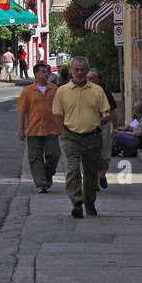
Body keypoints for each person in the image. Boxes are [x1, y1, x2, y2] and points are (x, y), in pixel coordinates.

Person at [52, 55, 112, 218]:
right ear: (71, 71)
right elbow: (57, 115)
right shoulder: (62, 91)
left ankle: (89, 202)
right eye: (76, 69)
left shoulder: (97, 91)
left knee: (91, 173)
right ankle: (77, 202)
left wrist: (105, 116)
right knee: (72, 170)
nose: (79, 72)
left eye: (82, 69)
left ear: (87, 71)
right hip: (71, 136)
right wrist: (62, 134)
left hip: (93, 137)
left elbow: (106, 111)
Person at [17, 62, 61, 193]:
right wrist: (21, 129)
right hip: (34, 129)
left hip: (52, 128)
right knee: (35, 157)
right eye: (43, 72)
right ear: (36, 74)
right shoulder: (28, 91)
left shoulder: (54, 90)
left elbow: (61, 109)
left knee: (54, 154)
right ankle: (41, 182)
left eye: (47, 72)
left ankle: (48, 174)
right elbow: (23, 111)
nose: (46, 74)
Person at [88, 68, 116, 189]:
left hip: (103, 127)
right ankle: (94, 182)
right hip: (88, 128)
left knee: (104, 157)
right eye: (88, 78)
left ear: (99, 80)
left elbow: (114, 113)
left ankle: (101, 175)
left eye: (92, 79)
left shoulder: (105, 93)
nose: (89, 81)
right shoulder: (83, 92)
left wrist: (114, 129)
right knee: (91, 156)